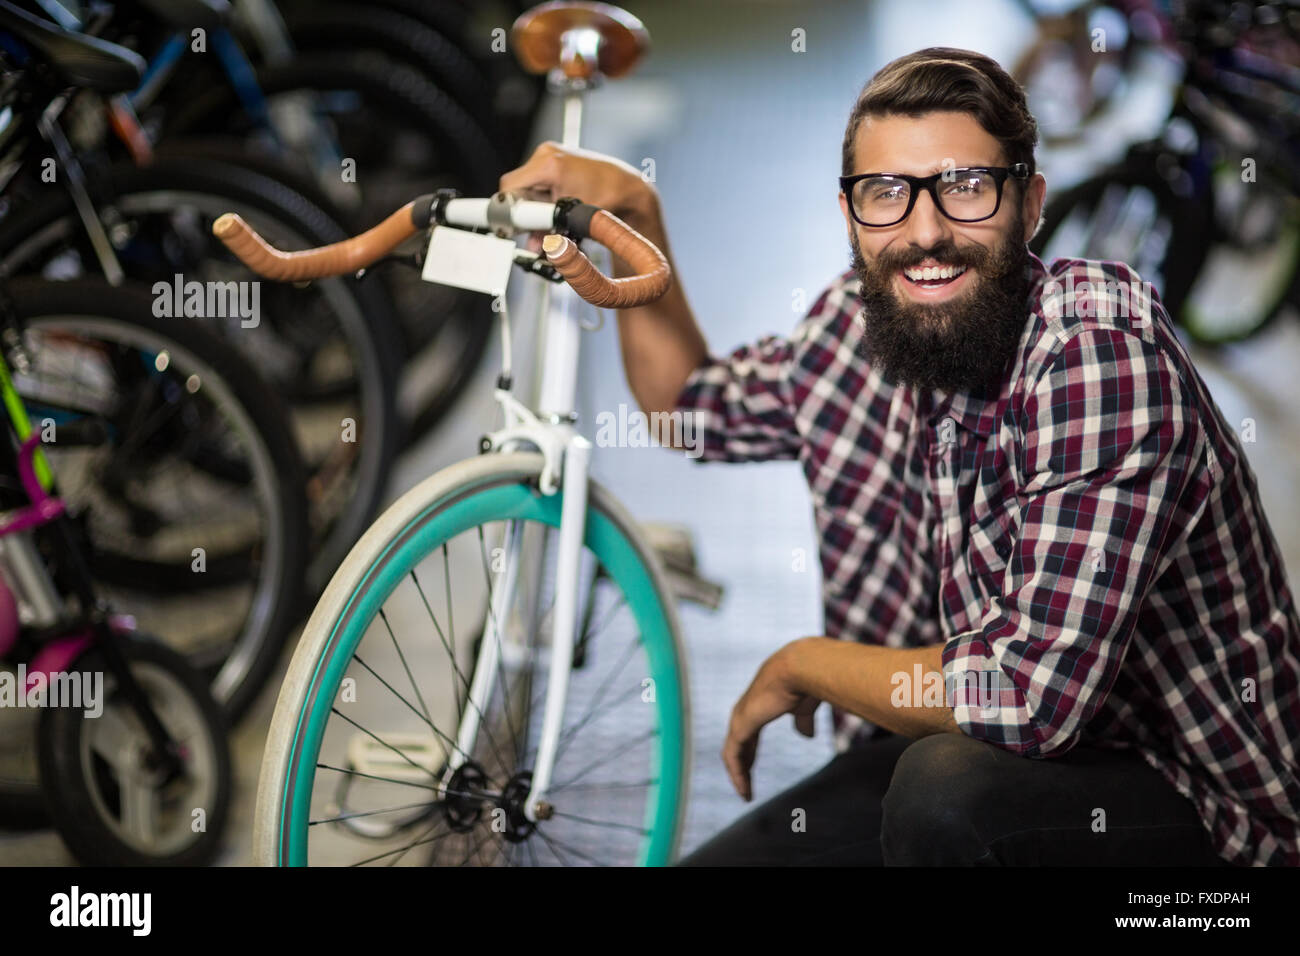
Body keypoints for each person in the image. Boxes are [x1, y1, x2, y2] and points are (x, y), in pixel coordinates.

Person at [498, 47, 1300, 866]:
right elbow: (689, 410)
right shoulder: (857, 326)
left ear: (1030, 205)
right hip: (985, 760)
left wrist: (805, 664)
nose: (925, 232)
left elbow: (1023, 696)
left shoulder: (1095, 353)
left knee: (945, 797)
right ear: (851, 216)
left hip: (1205, 828)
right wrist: (636, 212)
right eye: (887, 194)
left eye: (965, 188)